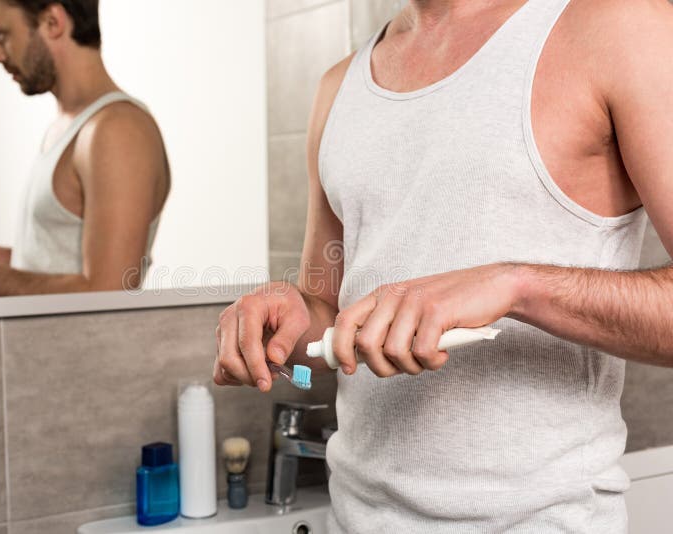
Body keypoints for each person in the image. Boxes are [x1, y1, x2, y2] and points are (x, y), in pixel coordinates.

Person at [214, 0, 673, 532]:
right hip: (354, 517)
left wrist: (516, 286)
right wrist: (285, 318)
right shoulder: (337, 87)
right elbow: (328, 316)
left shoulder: (620, 26)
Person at [0, 0, 169, 301]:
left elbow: (108, 290)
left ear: (53, 22)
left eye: (1, 35)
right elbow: (53, 264)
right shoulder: (71, 127)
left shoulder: (117, 130)